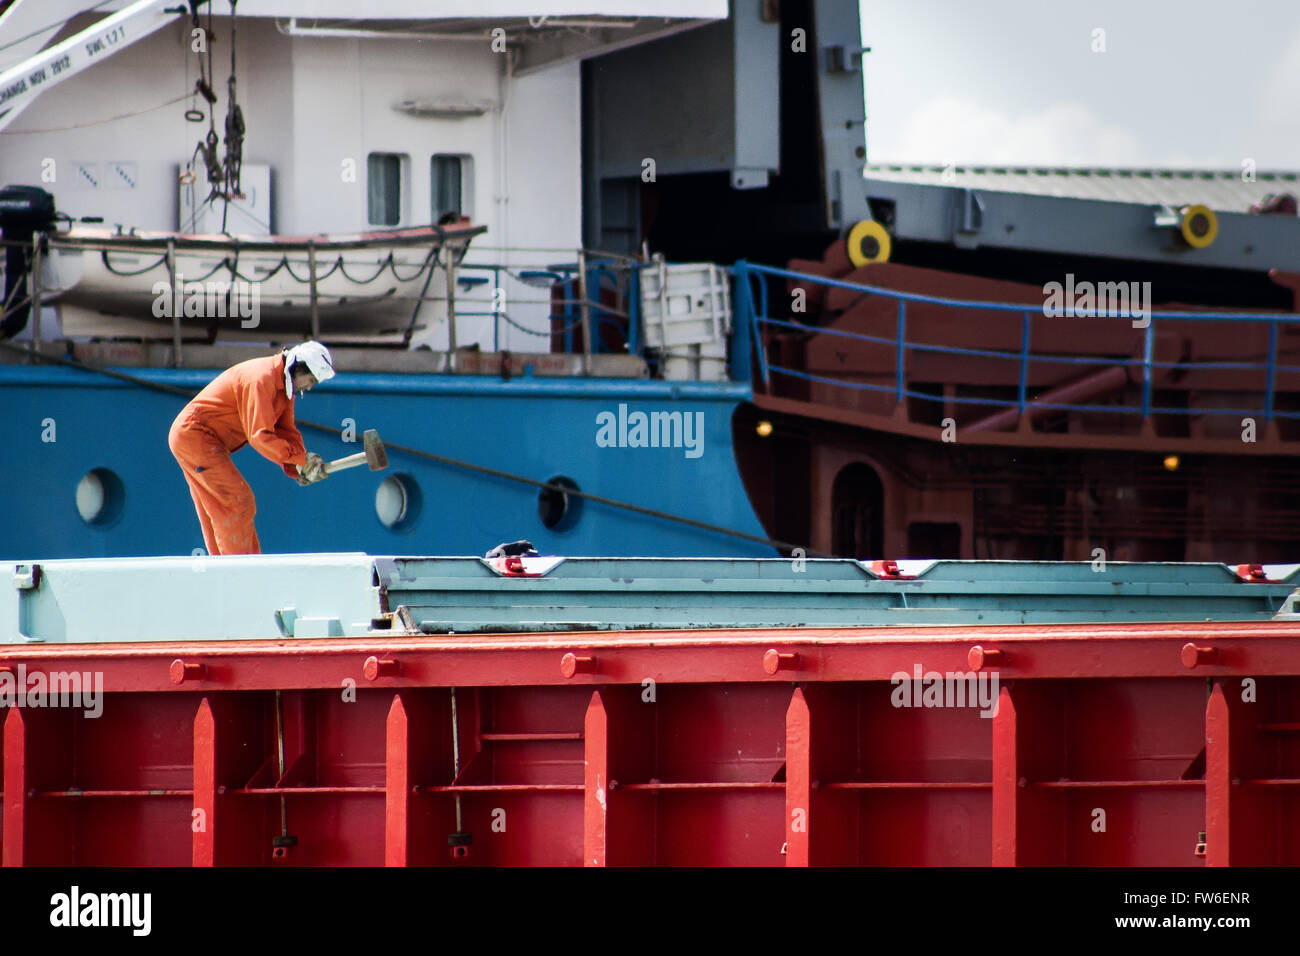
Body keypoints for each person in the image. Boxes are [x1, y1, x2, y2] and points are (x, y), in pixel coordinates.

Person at [168, 341, 335, 555]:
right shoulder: (262, 379)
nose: (310, 387)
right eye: (310, 380)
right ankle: (241, 572)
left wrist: (298, 467)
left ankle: (231, 572)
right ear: (299, 367)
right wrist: (302, 460)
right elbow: (260, 436)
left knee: (217, 508)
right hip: (194, 437)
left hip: (196, 438)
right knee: (238, 500)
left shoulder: (285, 387)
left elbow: (287, 432)